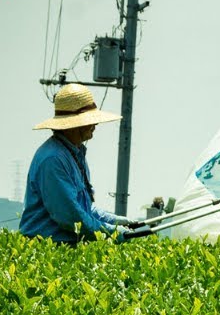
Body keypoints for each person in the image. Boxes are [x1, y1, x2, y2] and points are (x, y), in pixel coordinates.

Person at [19, 83, 149, 243]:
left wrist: (115, 220)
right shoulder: (53, 159)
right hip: (48, 247)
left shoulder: (74, 154)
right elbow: (71, 216)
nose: (95, 125)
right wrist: (111, 232)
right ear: (74, 124)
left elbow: (84, 207)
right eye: (90, 120)